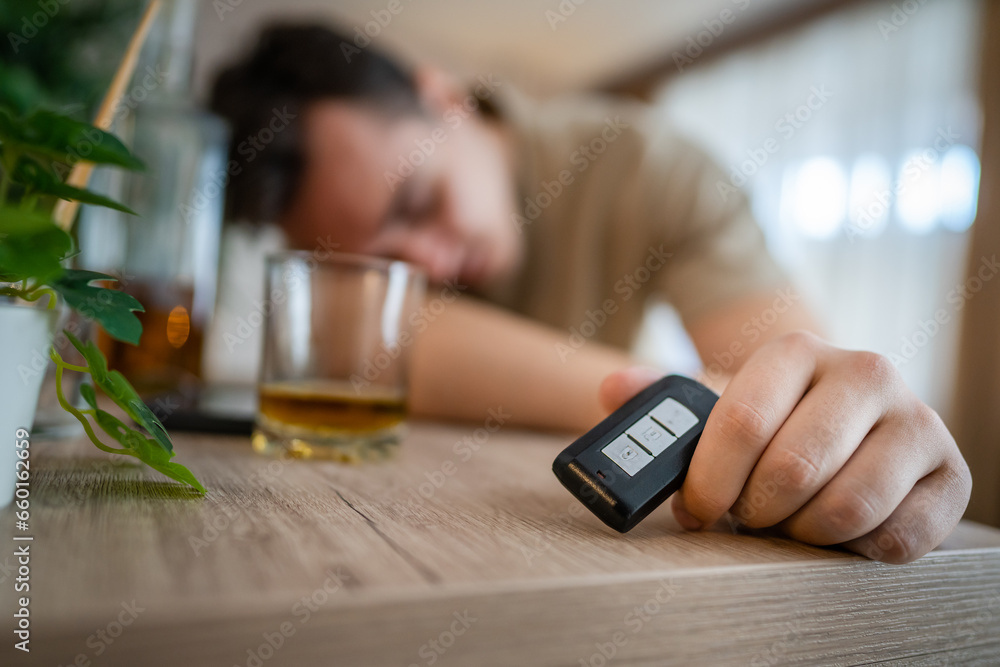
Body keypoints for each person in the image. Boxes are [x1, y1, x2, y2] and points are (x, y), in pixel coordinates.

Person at [209, 24, 971, 563]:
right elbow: (388, 342)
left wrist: (819, 427)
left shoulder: (649, 167)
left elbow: (802, 415)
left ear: (444, 98)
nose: (431, 263)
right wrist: (709, 405)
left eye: (415, 201)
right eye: (376, 265)